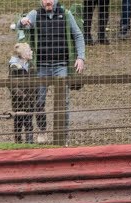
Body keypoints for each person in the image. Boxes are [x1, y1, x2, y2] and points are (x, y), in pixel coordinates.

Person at [17, 0, 85, 144]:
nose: (48, 1)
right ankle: (42, 131)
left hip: (61, 66)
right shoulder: (35, 14)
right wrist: (21, 22)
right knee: (39, 101)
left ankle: (63, 136)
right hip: (41, 66)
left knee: (63, 102)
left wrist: (81, 58)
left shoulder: (66, 14)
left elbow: (78, 35)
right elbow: (19, 26)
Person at [7, 42, 39, 143]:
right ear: (23, 54)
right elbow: (10, 84)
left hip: (30, 100)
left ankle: (29, 142)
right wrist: (22, 94)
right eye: (29, 51)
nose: (31, 52)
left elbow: (36, 82)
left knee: (29, 121)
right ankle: (18, 140)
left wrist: (34, 93)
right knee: (18, 121)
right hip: (18, 101)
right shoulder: (14, 67)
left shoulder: (31, 66)